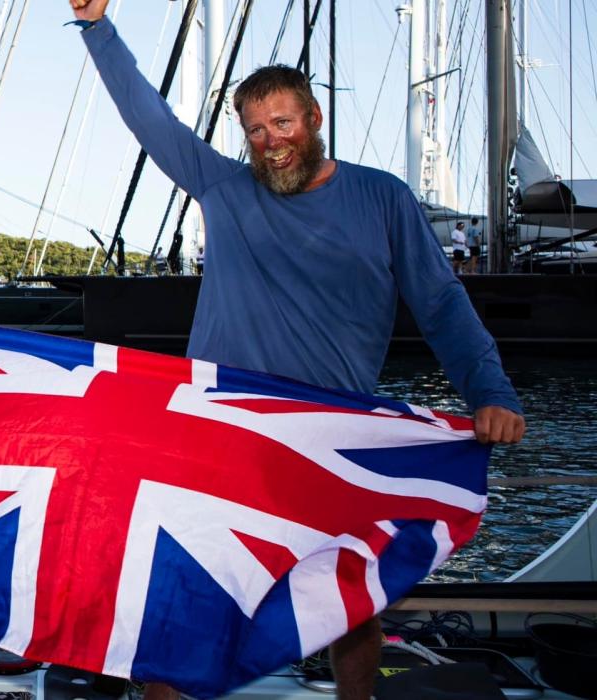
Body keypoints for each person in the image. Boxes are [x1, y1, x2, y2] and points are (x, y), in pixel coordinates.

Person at [67, 2, 525, 699]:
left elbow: (440, 304)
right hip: (220, 431)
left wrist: (491, 392)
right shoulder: (225, 187)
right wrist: (99, 27)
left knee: (350, 599)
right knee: (184, 600)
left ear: (313, 118)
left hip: (333, 436)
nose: (269, 141)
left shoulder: (382, 198)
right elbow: (148, 117)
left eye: (281, 123)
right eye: (254, 130)